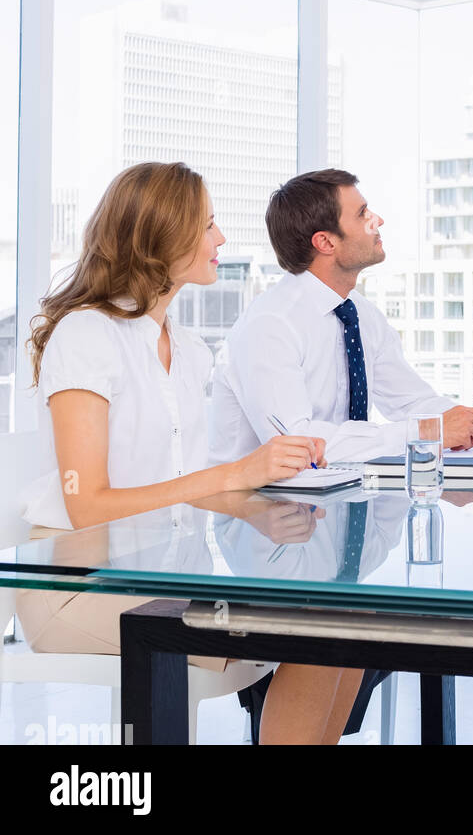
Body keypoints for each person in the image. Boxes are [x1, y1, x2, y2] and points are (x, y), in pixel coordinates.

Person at [17, 161, 363, 745]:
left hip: (160, 571)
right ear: (160, 238)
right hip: (79, 587)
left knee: (350, 620)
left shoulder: (189, 348)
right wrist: (233, 475)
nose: (221, 238)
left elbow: (187, 484)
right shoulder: (86, 336)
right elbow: (88, 509)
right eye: (207, 225)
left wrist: (269, 503)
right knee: (317, 631)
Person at [211, 168, 473, 469]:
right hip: (266, 518)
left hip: (337, 502)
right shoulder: (271, 324)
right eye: (362, 214)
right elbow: (298, 444)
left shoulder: (359, 313)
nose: (378, 220)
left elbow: (413, 402)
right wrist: (427, 432)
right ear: (325, 241)